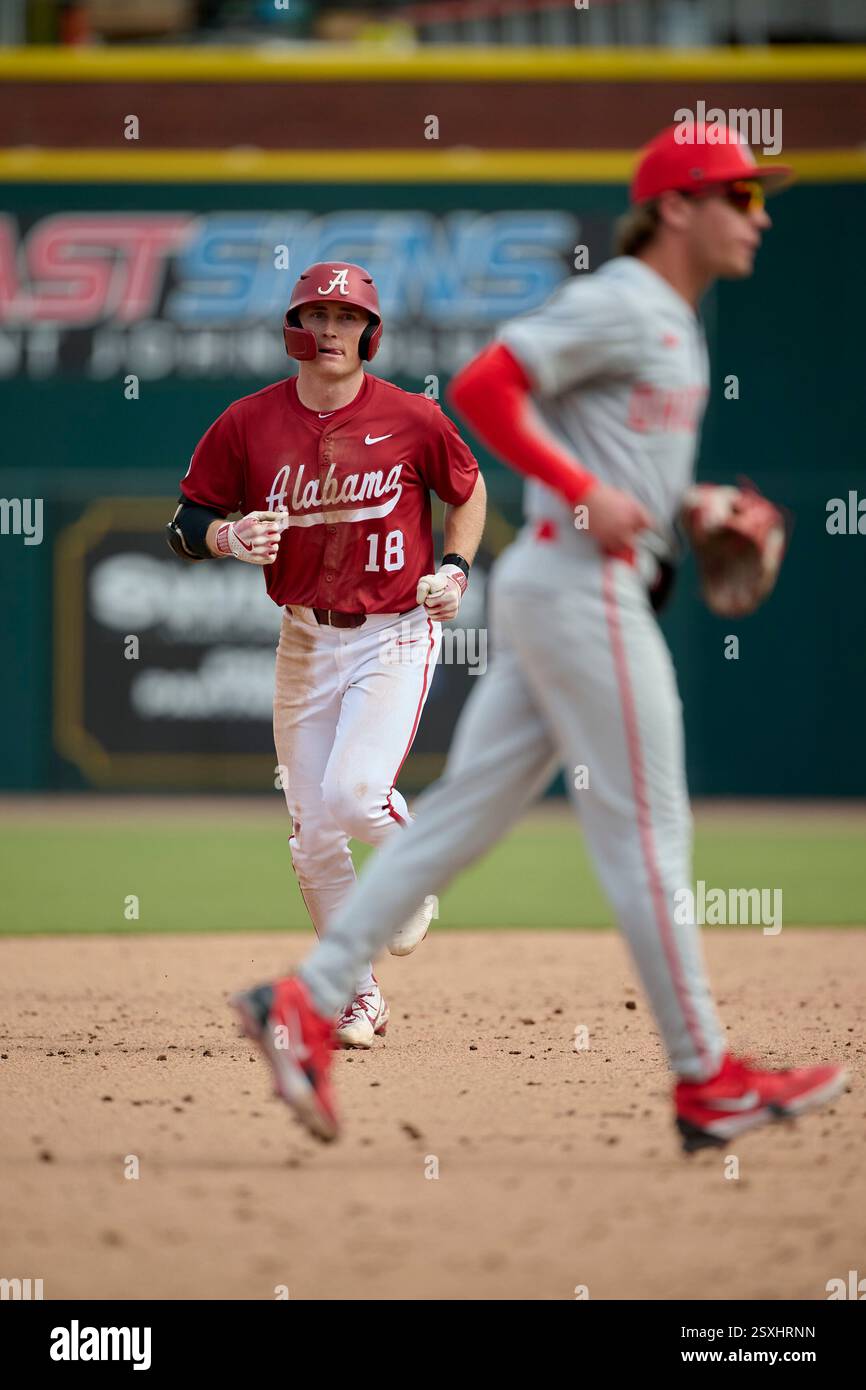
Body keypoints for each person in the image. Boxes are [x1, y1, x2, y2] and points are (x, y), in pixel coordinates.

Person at [230, 130, 847, 1149]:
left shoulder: (672, 322)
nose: (760, 214)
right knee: (648, 835)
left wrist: (684, 505)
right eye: (739, 195)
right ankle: (705, 1080)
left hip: (569, 580)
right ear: (677, 208)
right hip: (581, 593)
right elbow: (480, 389)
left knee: (456, 817)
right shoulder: (626, 301)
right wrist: (584, 491)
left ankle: (305, 1003)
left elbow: (611, 469)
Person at [167, 261, 485, 1046]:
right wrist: (227, 536)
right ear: (295, 329)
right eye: (318, 315)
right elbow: (186, 521)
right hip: (305, 638)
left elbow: (468, 489)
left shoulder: (413, 417)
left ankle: (413, 872)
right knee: (312, 834)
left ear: (370, 333)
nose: (332, 330)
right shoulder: (248, 422)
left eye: (347, 317)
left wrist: (455, 567)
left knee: (352, 797)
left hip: (393, 631)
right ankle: (355, 993)